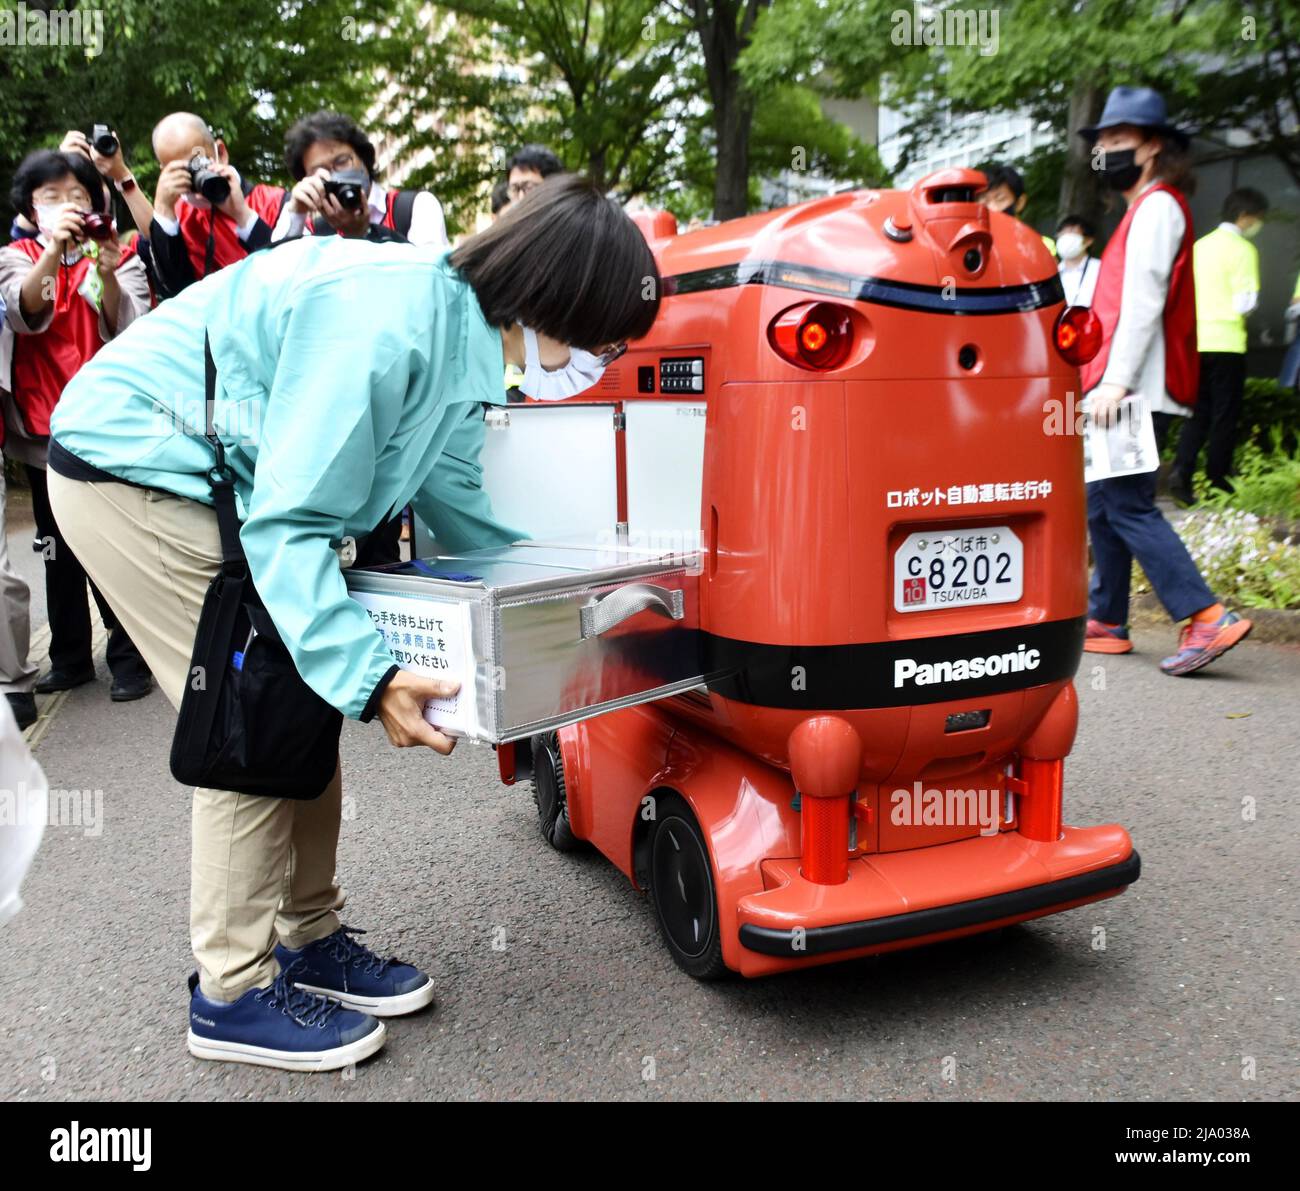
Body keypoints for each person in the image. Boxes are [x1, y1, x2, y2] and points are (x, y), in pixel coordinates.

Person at [45, 175, 659, 1072]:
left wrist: (558, 601)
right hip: (134, 467)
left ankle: (308, 937)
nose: (600, 359)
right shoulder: (387, 322)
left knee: (296, 700)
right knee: (249, 720)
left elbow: (459, 502)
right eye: (605, 337)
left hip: (212, 477)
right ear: (556, 298)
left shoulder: (463, 340)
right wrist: (373, 680)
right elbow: (289, 525)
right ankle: (231, 993)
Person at [1075, 85, 1251, 674]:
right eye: (1101, 142)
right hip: (1124, 382)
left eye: (1118, 141)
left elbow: (1144, 301)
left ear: (1152, 147)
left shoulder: (1157, 208)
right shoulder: (1144, 207)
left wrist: (1113, 384)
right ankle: (1108, 618)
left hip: (1132, 385)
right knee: (1103, 502)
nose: (1106, 152)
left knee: (1126, 504)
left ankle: (1205, 617)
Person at [0, 150, 154, 703]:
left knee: (110, 541)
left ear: (96, 202)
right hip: (42, 433)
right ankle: (69, 656)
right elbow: (25, 310)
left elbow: (127, 327)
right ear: (29, 207)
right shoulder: (15, 256)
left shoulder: (118, 254)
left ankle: (130, 655)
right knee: (53, 548)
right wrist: (49, 252)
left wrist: (107, 273)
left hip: (105, 428)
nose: (66, 205)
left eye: (77, 195)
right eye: (51, 196)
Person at [1169, 188, 1268, 502]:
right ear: (1246, 216)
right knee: (1225, 415)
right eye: (1257, 218)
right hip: (1227, 343)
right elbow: (1245, 303)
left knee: (1197, 413)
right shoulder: (1242, 249)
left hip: (1197, 342)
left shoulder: (1200, 247)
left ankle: (1181, 474)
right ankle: (1217, 481)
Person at [148, 112, 286, 297]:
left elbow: (291, 273)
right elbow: (173, 294)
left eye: (197, 164)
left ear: (220, 152)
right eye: (180, 171)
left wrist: (244, 216)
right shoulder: (176, 220)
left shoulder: (274, 202)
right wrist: (163, 210)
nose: (192, 178)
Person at [274, 110, 449, 248]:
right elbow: (278, 279)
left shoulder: (415, 208)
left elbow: (431, 279)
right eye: (319, 171)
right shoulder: (310, 231)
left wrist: (364, 234)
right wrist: (296, 214)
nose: (334, 175)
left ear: (363, 158)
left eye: (342, 162)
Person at [978, 163, 1056, 254]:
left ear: (1020, 203)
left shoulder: (1042, 245)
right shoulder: (968, 244)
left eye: (1000, 199)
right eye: (984, 201)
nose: (992, 208)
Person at [1056, 214, 1100, 307]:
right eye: (1063, 234)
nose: (1066, 239)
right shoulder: (1053, 272)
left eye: (1072, 233)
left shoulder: (1100, 269)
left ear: (1088, 241)